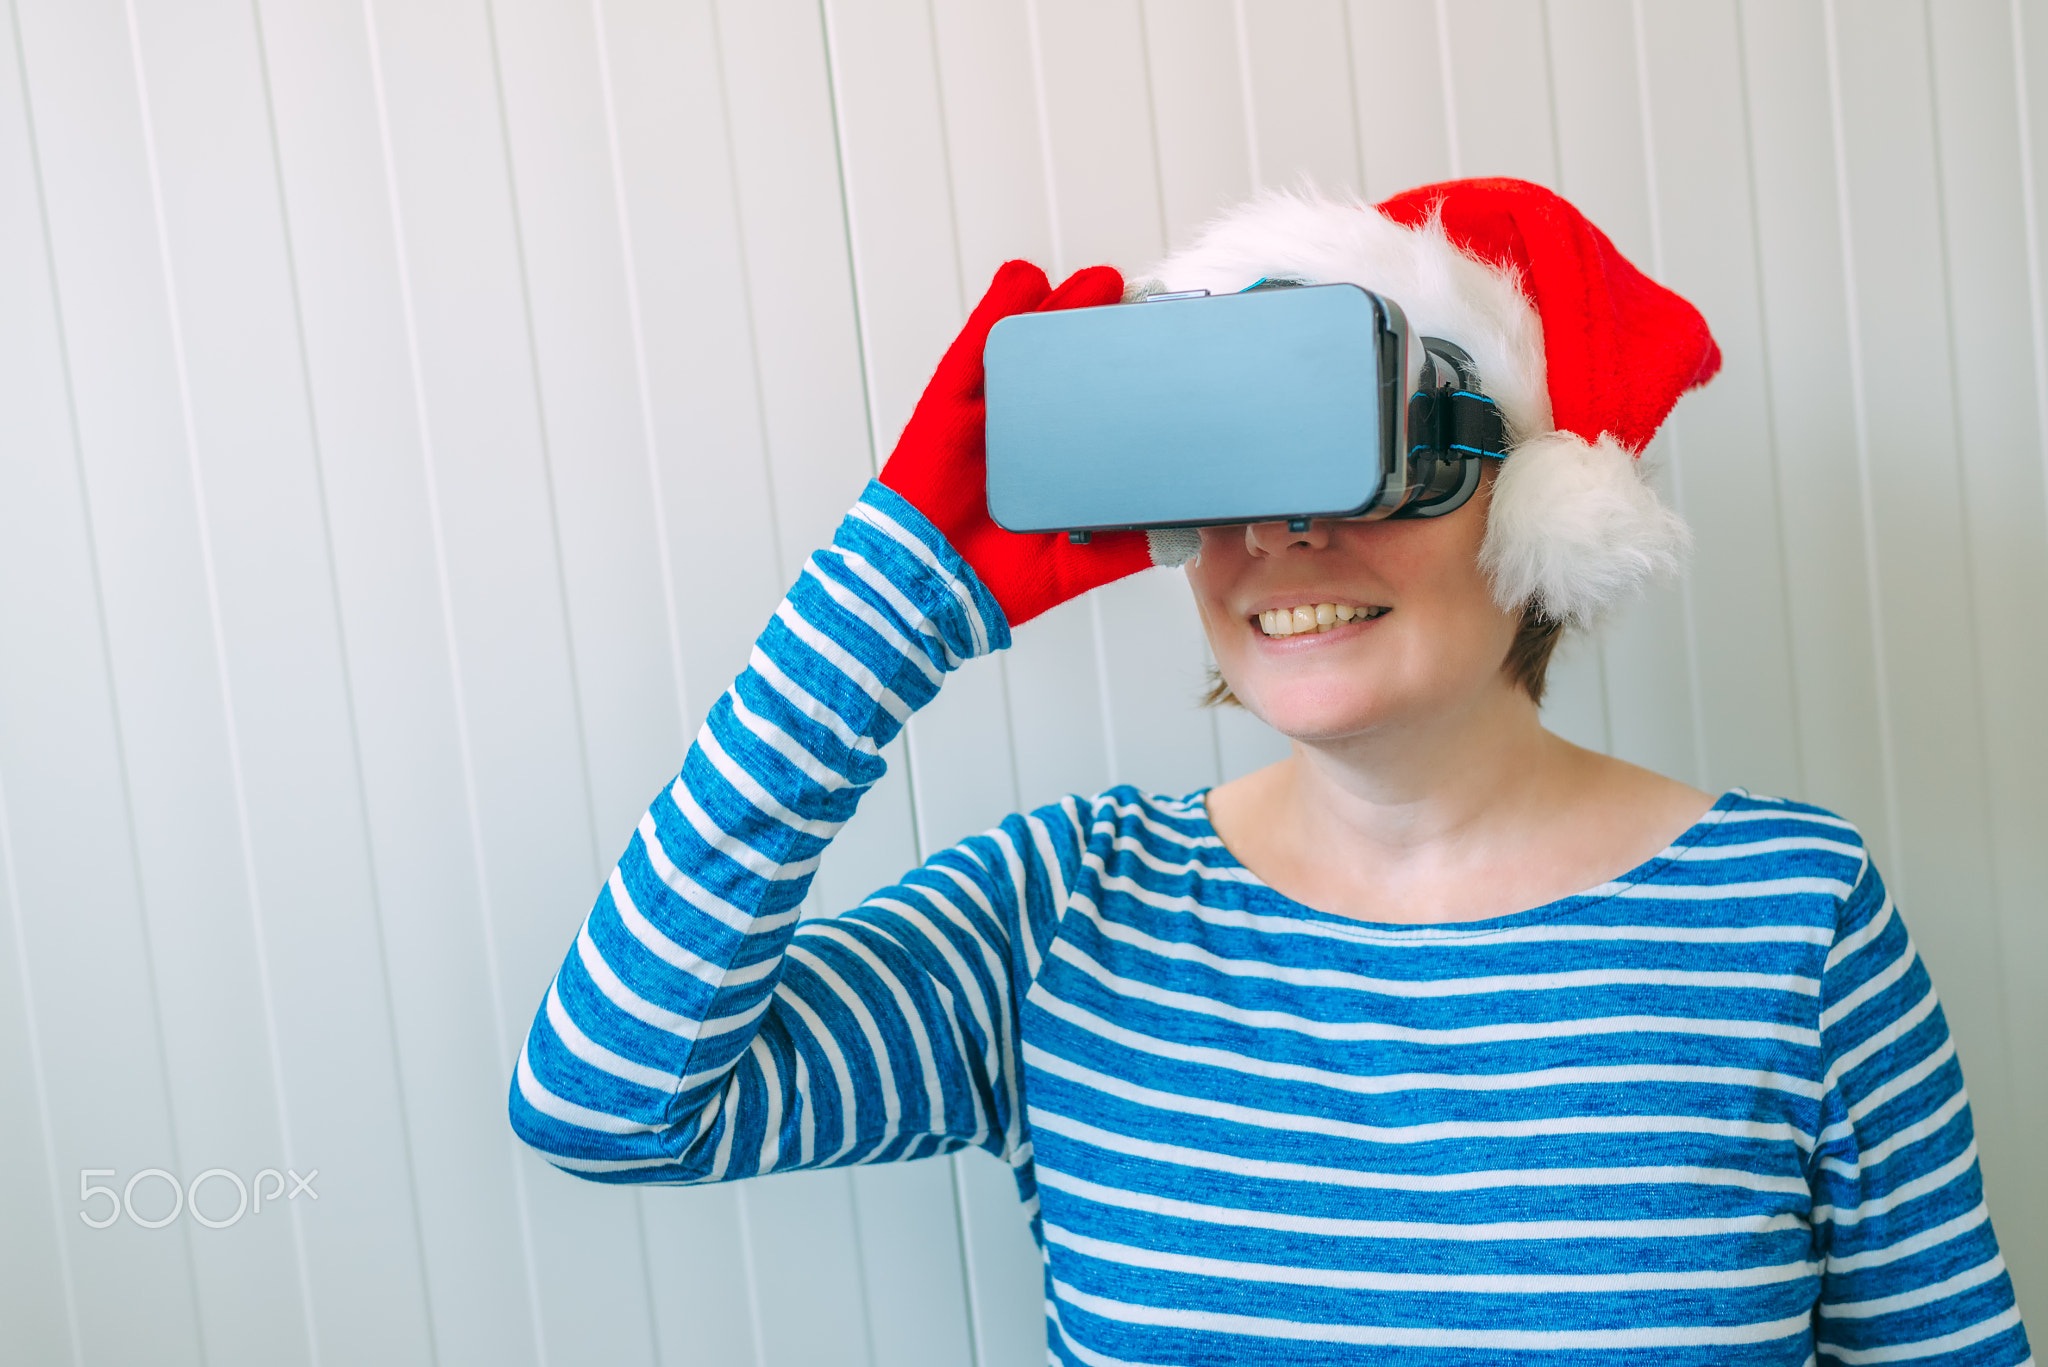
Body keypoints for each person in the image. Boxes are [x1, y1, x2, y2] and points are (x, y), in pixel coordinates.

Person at [508, 179, 2031, 1364]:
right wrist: (895, 600)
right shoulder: (1064, 909)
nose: (1285, 535)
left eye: (1363, 457)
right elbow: (608, 1102)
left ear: (1535, 503)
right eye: (1234, 467)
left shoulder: (1787, 914)